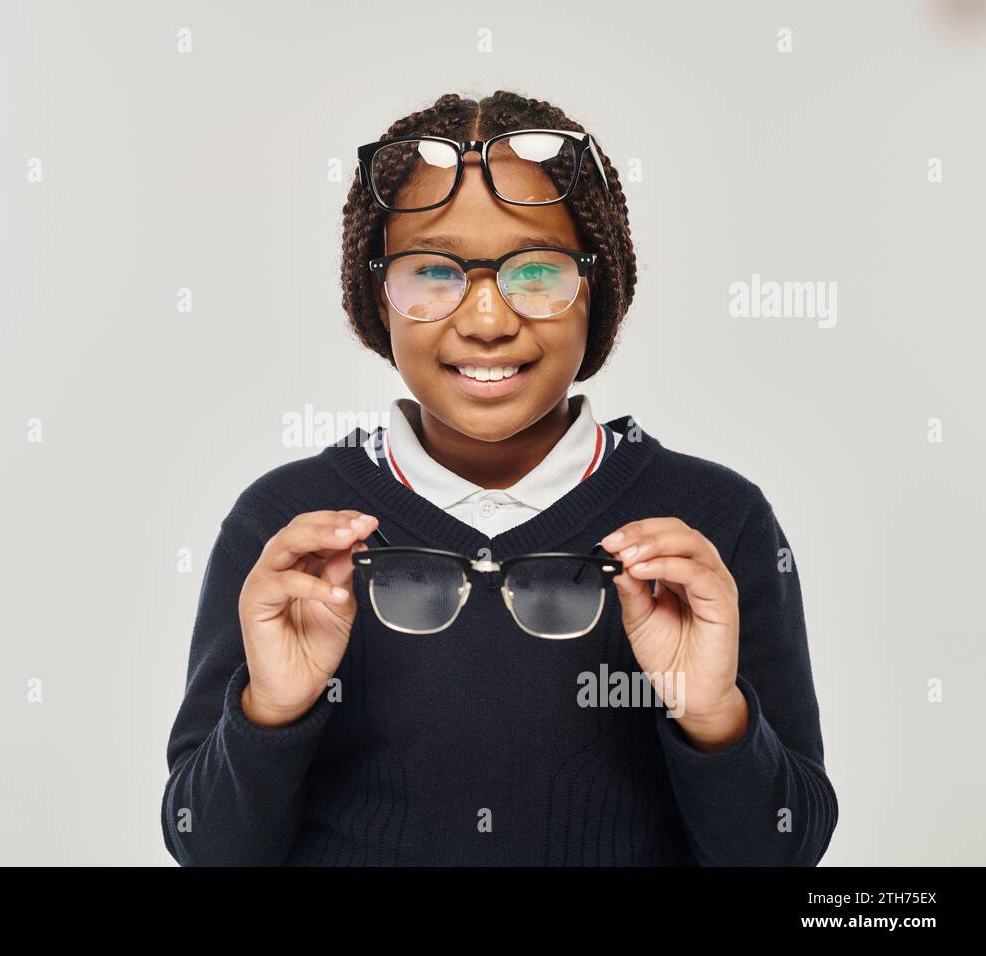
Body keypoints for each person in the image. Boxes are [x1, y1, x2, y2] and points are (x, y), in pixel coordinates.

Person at [161, 90, 839, 866]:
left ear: (597, 289)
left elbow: (784, 851)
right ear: (379, 296)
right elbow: (204, 844)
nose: (487, 321)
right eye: (432, 271)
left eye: (537, 270)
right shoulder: (286, 528)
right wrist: (270, 712)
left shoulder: (714, 523)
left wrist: (712, 713)